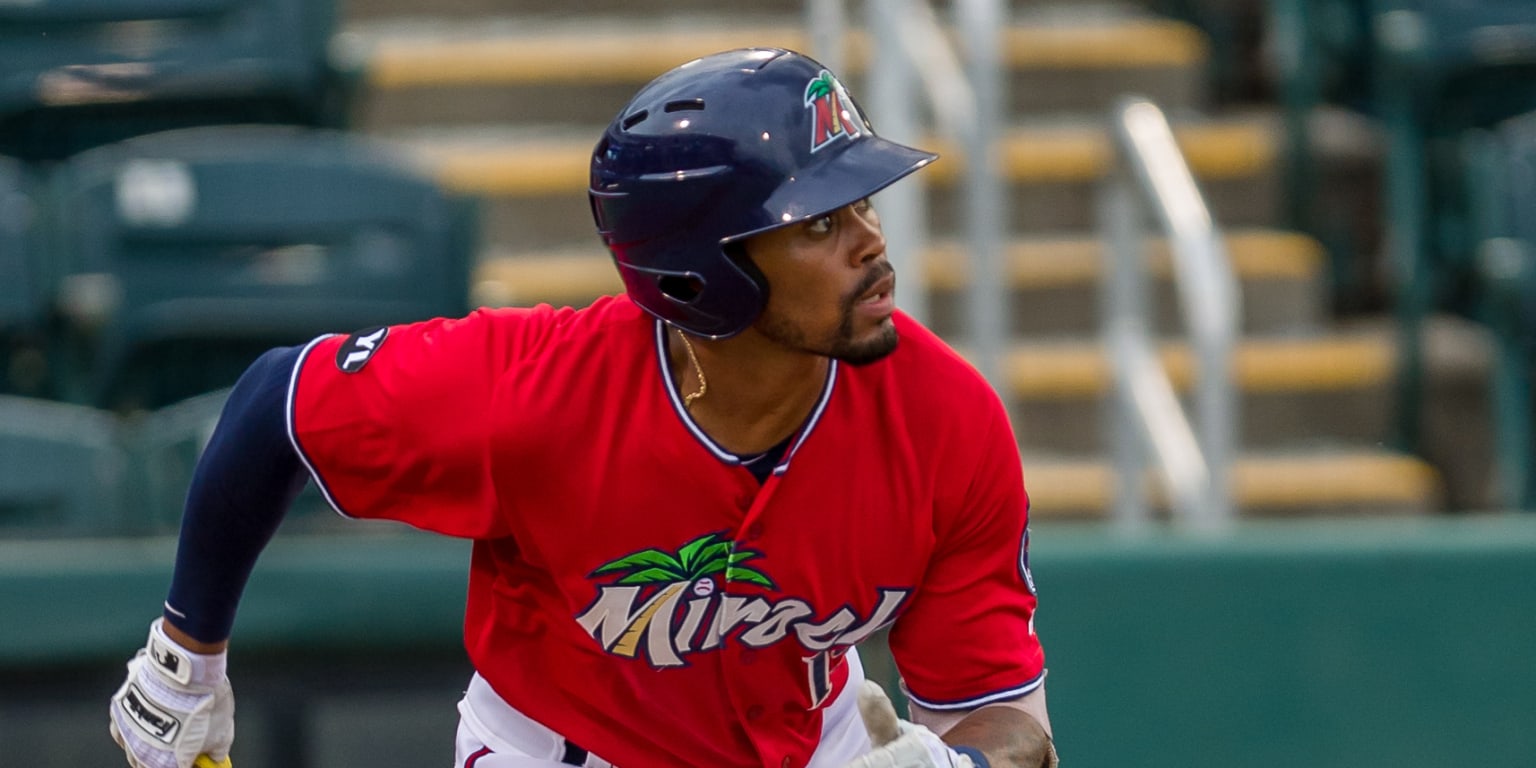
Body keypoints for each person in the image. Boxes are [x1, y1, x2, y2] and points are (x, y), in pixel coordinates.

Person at [107, 47, 1057, 768]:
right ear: (701, 277)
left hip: (818, 740)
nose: (871, 241)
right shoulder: (535, 388)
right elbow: (280, 403)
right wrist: (185, 652)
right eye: (819, 222)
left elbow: (1010, 719)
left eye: (865, 202)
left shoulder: (946, 418)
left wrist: (958, 762)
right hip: (559, 747)